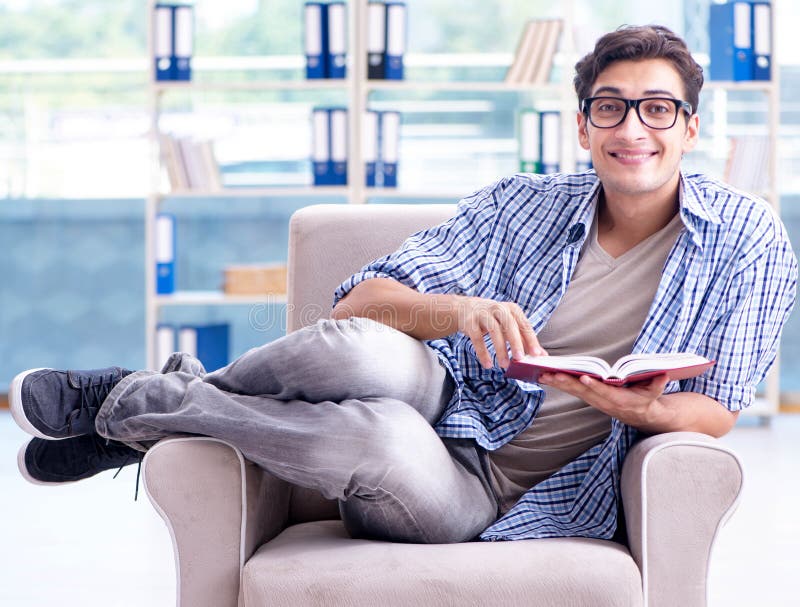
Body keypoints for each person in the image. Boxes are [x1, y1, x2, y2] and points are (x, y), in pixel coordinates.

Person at [10, 24, 797, 543]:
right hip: (449, 391)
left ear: (692, 127)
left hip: (490, 494)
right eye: (612, 108)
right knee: (359, 354)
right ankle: (146, 409)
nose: (633, 130)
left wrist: (643, 407)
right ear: (582, 124)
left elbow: (718, 408)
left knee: (378, 437)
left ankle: (133, 408)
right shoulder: (520, 203)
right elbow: (357, 306)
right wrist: (457, 309)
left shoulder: (749, 239)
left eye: (658, 110)